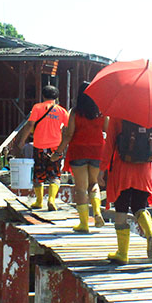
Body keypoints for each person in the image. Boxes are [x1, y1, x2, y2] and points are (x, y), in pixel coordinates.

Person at [99, 118, 152, 263]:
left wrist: (102, 169)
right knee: (139, 206)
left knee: (121, 208)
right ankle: (151, 233)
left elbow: (109, 144)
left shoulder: (118, 115)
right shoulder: (151, 114)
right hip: (145, 170)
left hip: (123, 168)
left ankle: (122, 254)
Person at [52, 81, 107, 232]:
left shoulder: (75, 112)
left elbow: (69, 134)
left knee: (81, 189)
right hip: (97, 151)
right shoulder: (101, 112)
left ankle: (84, 224)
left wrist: (58, 153)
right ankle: (97, 212)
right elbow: (107, 130)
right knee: (94, 183)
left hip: (79, 151)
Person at [14, 85, 69, 210]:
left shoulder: (37, 107)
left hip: (39, 146)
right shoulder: (62, 111)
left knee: (39, 174)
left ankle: (39, 201)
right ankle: (51, 200)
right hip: (55, 147)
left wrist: (22, 141)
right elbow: (67, 130)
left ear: (43, 96)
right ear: (56, 97)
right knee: (55, 175)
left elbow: (30, 124)